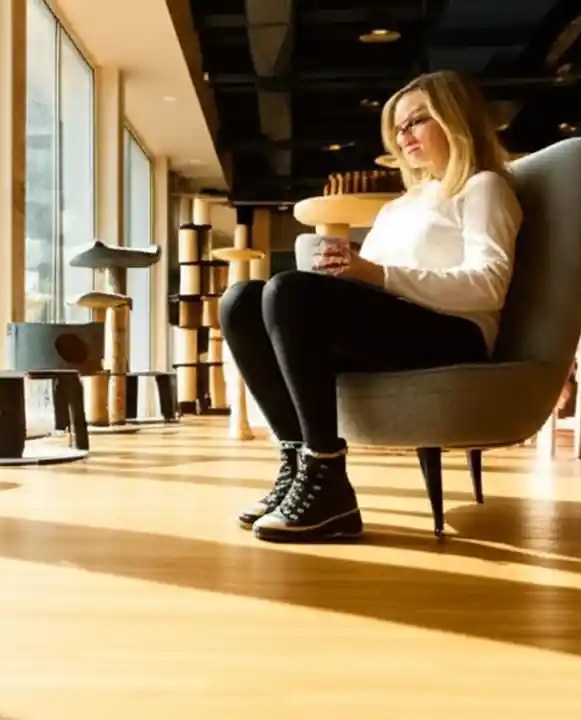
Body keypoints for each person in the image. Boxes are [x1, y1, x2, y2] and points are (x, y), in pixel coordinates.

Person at [218, 70, 524, 543]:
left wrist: (376, 275)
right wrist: (346, 278)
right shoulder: (397, 208)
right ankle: (300, 462)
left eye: (418, 120)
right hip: (399, 325)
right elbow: (369, 286)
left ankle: (327, 479)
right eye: (398, 128)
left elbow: (488, 287)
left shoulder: (482, 187)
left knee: (288, 292)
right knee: (242, 300)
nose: (405, 136)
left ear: (456, 119)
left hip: (455, 332)